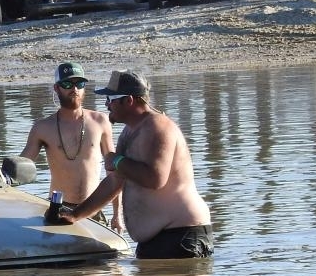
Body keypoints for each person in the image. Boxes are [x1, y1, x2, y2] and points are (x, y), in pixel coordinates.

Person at [62, 70, 214, 259]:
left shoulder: (158, 127)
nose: (107, 104)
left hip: (181, 235)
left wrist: (117, 160)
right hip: (159, 240)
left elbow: (155, 178)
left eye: (110, 98)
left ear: (129, 100)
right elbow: (114, 182)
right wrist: (75, 215)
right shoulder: (129, 131)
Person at [20, 61, 123, 232]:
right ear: (56, 88)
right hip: (59, 209)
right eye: (67, 84)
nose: (74, 89)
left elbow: (114, 172)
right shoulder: (43, 128)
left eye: (79, 84)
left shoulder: (101, 121)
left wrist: (116, 214)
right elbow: (22, 164)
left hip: (94, 207)